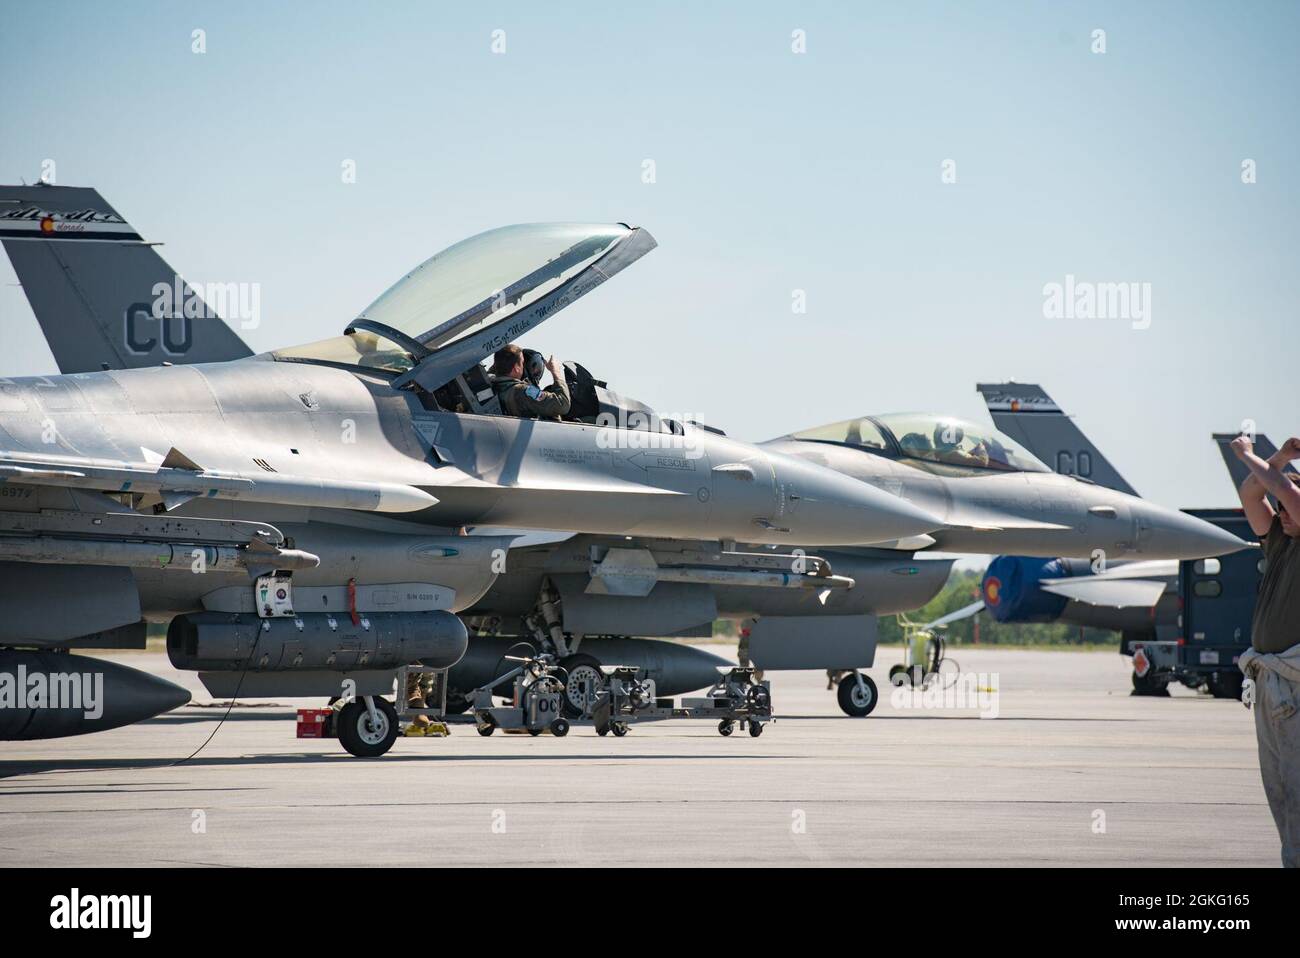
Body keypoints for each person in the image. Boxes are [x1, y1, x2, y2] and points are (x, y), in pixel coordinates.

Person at [1231, 433, 1300, 868]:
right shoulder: (1280, 541)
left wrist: (1248, 455)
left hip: (1294, 682)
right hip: (1271, 681)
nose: (1280, 515)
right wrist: (1280, 457)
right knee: (1277, 784)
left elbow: (1283, 491)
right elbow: (1253, 494)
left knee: (1296, 782)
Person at [490, 344, 571, 419]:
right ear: (516, 368)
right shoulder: (524, 391)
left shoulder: (491, 387)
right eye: (522, 363)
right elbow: (562, 404)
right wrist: (556, 372)